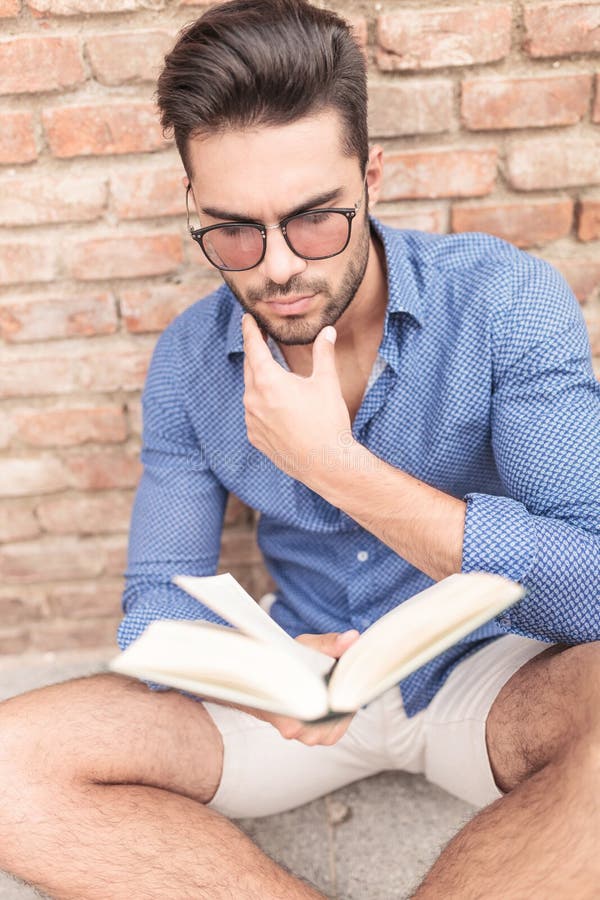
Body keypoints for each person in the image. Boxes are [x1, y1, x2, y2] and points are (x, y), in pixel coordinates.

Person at [1, 0, 599, 897]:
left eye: (315, 220)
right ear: (195, 207)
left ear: (373, 179)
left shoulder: (503, 301)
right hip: (294, 681)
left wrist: (334, 465)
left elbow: (590, 582)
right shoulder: (188, 361)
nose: (278, 266)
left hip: (494, 669)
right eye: (235, 231)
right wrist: (261, 677)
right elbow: (156, 604)